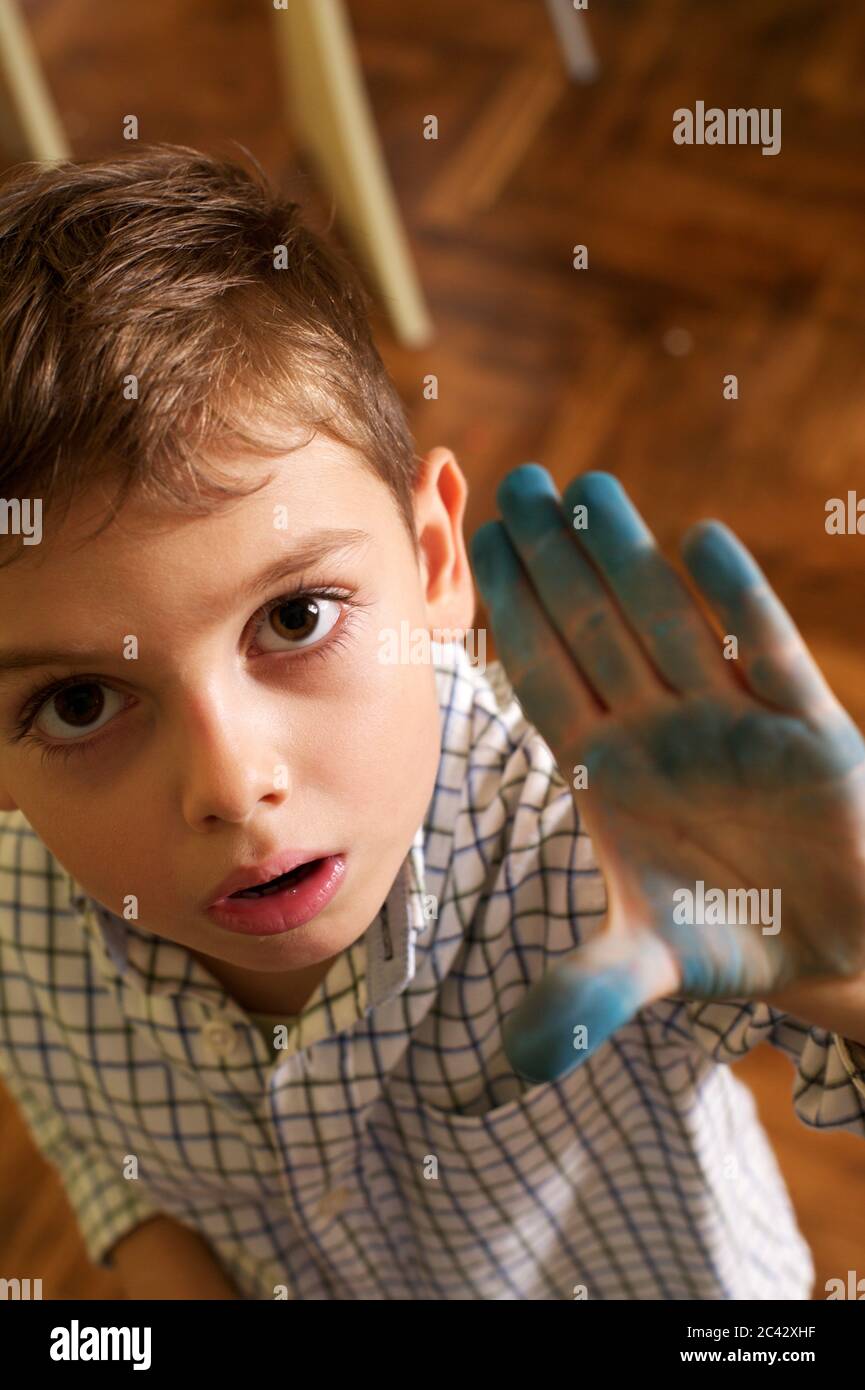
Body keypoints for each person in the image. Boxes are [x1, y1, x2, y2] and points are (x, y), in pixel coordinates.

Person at [1, 146, 863, 1301]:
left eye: (296, 615)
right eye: (80, 701)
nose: (232, 781)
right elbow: (116, 1169)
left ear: (433, 556)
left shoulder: (607, 841)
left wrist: (847, 959)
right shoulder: (23, 911)